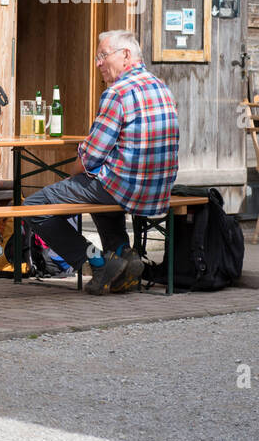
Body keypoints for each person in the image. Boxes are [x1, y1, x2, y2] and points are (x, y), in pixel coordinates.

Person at [24, 30, 179, 295]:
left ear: (126, 55)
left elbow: (89, 157)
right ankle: (123, 255)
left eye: (103, 56)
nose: (97, 63)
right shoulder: (161, 87)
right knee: (102, 183)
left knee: (34, 207)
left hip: (126, 187)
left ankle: (95, 260)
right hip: (158, 189)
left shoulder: (117, 93)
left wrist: (73, 177)